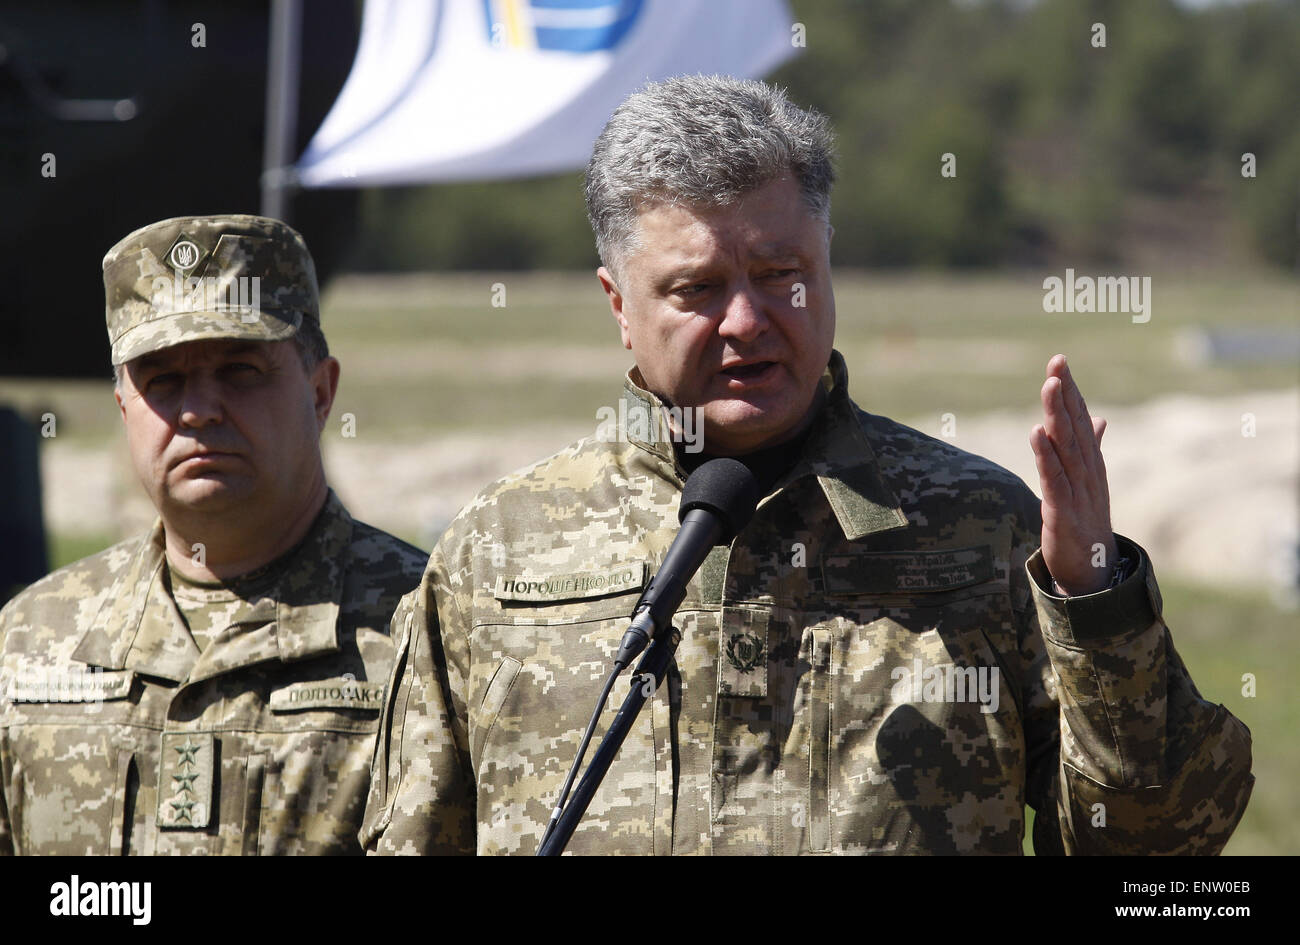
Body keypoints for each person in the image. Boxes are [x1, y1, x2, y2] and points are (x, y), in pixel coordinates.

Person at [361, 77, 1254, 855]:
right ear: (618, 303)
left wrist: (1096, 605)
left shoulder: (983, 527)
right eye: (698, 288)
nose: (748, 319)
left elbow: (1157, 854)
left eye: (780, 273)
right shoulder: (496, 555)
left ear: (828, 268)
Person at [0, 215, 426, 854]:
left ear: (320, 391)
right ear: (125, 408)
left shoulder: (430, 632)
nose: (199, 410)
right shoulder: (33, 638)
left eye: (242, 370)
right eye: (163, 380)